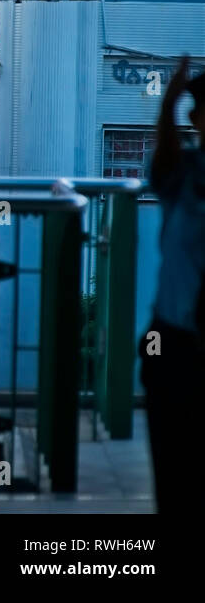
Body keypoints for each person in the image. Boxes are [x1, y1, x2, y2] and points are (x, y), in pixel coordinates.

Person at [143, 55, 205, 513]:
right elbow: (163, 157)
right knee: (171, 462)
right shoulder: (184, 173)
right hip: (174, 337)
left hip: (178, 335)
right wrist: (167, 104)